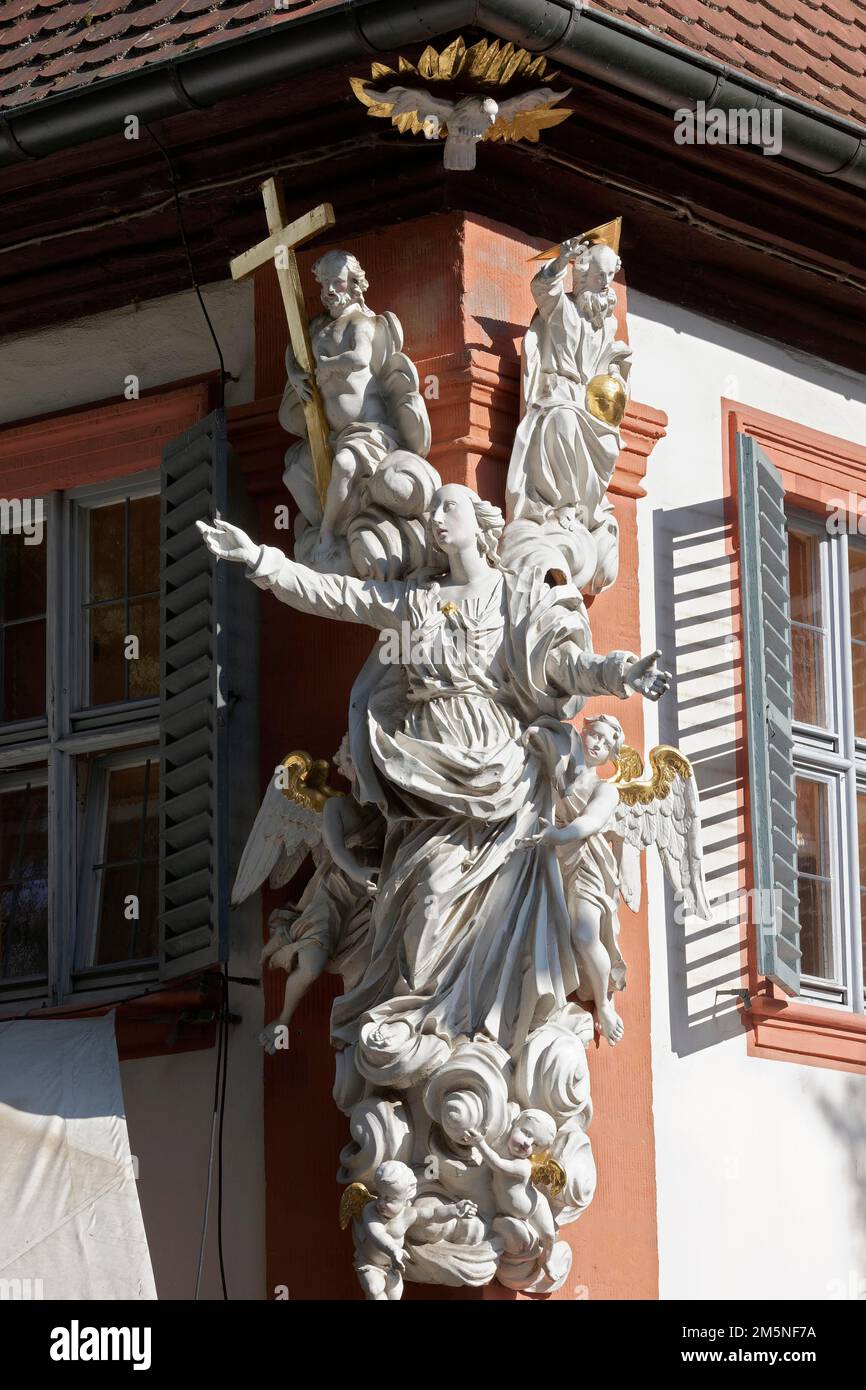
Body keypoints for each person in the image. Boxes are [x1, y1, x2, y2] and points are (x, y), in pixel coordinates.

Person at [197, 483, 669, 1084]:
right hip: (421, 770)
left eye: (449, 507)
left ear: (479, 521)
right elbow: (340, 596)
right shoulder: (417, 602)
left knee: (471, 902)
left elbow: (562, 664)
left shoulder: (512, 599)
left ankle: (469, 1029)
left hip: (496, 767)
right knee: (421, 899)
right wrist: (263, 560)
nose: (437, 520)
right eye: (432, 513)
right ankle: (420, 1021)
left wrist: (619, 672)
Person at [280, 249, 429, 564]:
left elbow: (360, 357)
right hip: (330, 435)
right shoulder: (317, 328)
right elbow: (293, 352)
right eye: (325, 285)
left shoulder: (362, 322)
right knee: (294, 473)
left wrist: (328, 366)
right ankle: (328, 522)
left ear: (355, 284)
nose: (331, 291)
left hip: (368, 430)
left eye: (338, 283)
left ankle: (327, 533)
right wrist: (294, 375)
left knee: (346, 465)